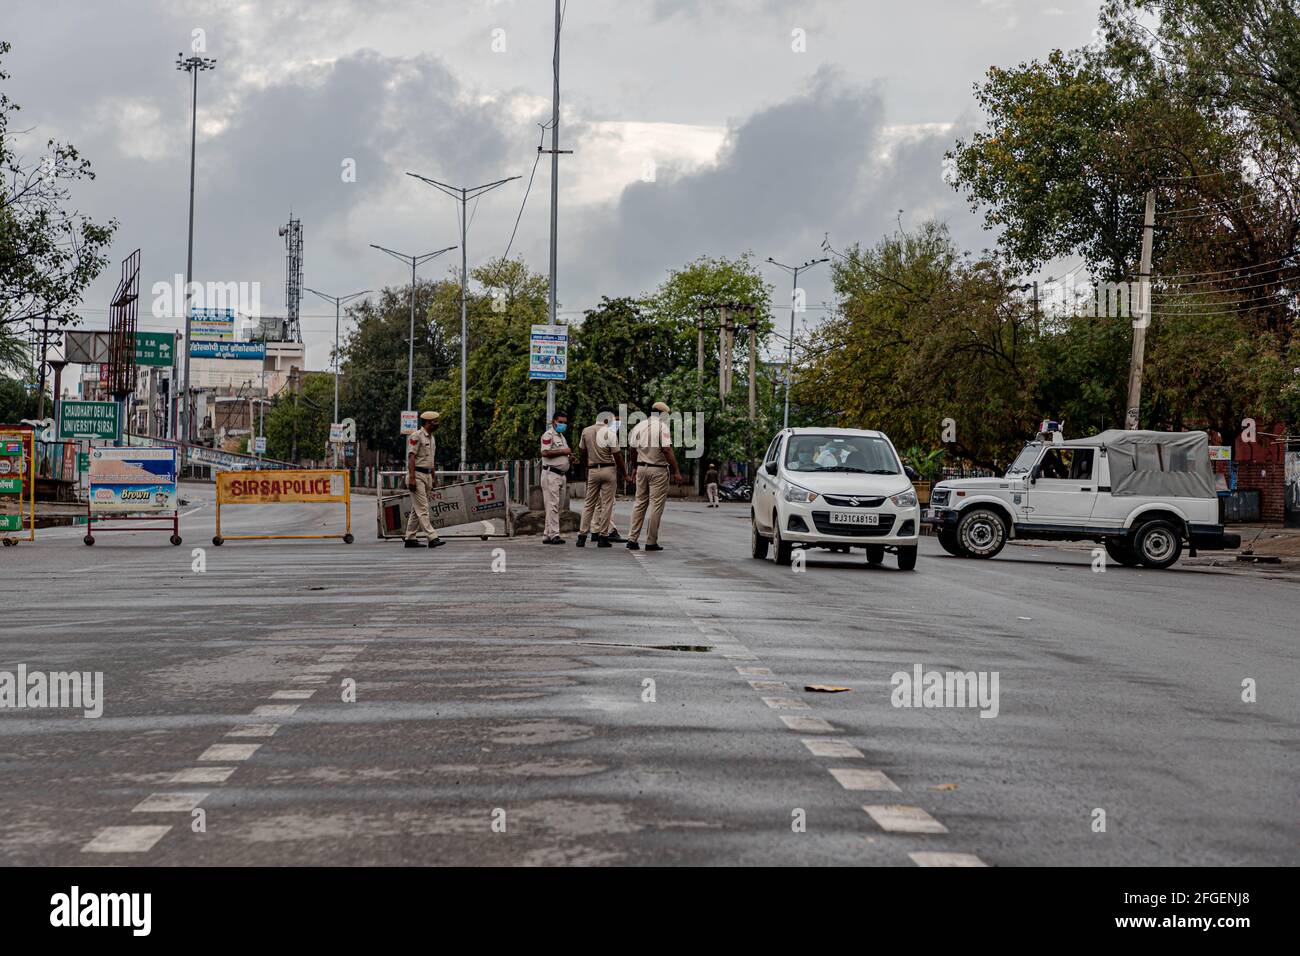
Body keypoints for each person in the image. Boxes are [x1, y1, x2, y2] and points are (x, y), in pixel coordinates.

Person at [626, 401, 683, 552]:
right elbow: (666, 449)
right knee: (656, 505)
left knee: (639, 503)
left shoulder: (638, 426)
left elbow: (632, 450)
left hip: (641, 469)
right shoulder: (662, 426)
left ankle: (632, 539)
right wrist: (676, 471)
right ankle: (651, 542)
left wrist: (635, 467)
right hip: (657, 470)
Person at [576, 411, 626, 548]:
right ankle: (603, 537)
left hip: (592, 470)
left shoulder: (586, 431)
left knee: (589, 504)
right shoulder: (609, 433)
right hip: (608, 469)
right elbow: (617, 456)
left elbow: (582, 451)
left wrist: (587, 466)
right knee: (607, 504)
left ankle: (582, 536)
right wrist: (624, 474)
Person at [404, 411, 446, 549]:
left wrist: (434, 478)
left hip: (427, 476)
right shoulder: (416, 436)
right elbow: (411, 457)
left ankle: (410, 538)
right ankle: (432, 537)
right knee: (423, 508)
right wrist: (411, 478)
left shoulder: (432, 438)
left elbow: (431, 460)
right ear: (428, 423)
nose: (437, 424)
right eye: (435, 422)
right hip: (417, 475)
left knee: (416, 510)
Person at [540, 410, 575, 544]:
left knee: (557, 506)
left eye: (565, 423)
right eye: (560, 422)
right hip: (551, 474)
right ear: (554, 421)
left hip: (561, 475)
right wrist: (563, 451)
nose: (563, 425)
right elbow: (544, 452)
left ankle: (547, 534)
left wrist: (569, 457)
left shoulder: (561, 437)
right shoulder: (548, 434)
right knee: (552, 505)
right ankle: (554, 534)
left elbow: (562, 453)